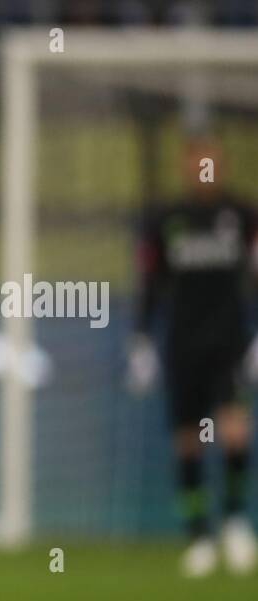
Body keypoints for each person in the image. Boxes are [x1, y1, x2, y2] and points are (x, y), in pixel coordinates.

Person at [128, 137, 258, 576]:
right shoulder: (168, 220)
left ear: (222, 165)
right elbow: (150, 283)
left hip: (230, 344)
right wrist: (142, 340)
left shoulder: (242, 216)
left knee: (235, 431)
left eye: (212, 162)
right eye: (198, 162)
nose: (206, 169)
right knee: (189, 439)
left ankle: (236, 522)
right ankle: (198, 534)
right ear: (187, 167)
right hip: (183, 346)